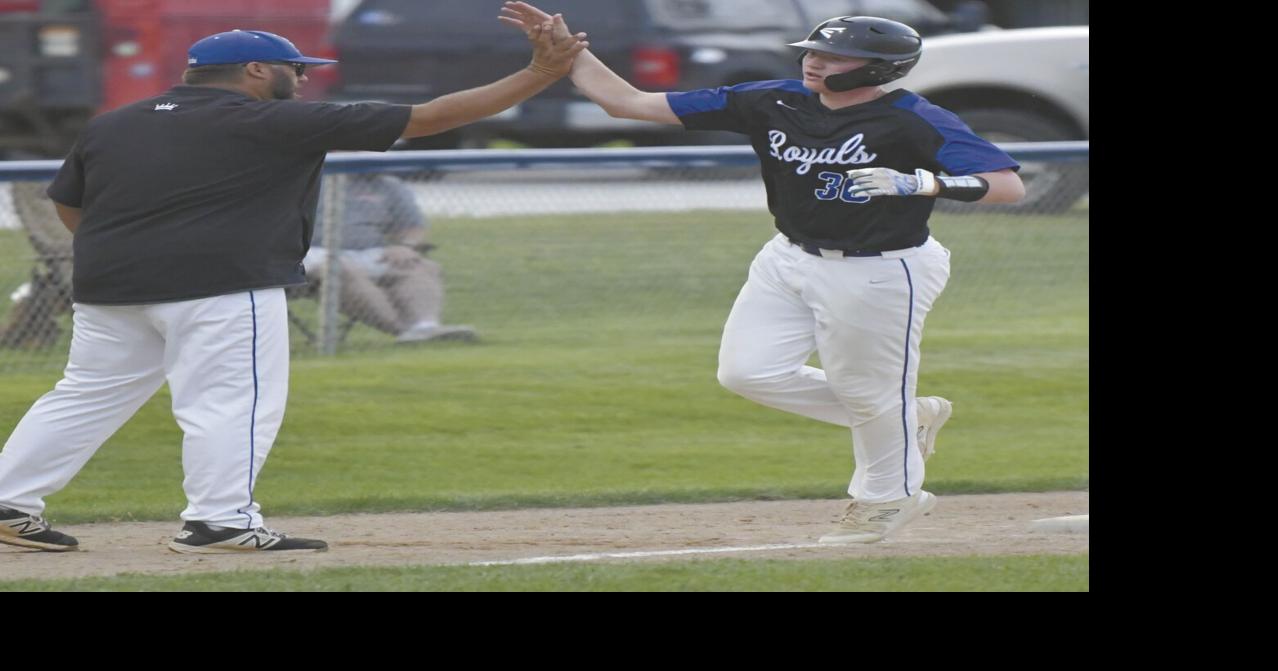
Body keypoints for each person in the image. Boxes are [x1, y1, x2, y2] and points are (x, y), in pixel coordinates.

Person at [0, 18, 587, 553]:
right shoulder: (276, 121)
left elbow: (70, 207)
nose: (303, 79)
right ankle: (221, 521)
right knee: (231, 402)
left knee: (82, 397)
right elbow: (431, 117)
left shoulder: (116, 123)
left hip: (109, 285)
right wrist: (541, 73)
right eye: (295, 68)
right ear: (256, 71)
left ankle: (8, 501)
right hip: (220, 286)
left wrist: (136, 250)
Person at [501, 3, 1024, 543]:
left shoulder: (914, 118)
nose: (815, 63)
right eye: (813, 51)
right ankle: (905, 414)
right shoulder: (772, 99)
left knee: (868, 393)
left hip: (881, 270)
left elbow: (1008, 185)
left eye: (835, 56)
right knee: (747, 372)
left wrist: (924, 184)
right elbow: (626, 102)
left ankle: (887, 499)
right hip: (788, 257)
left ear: (879, 67)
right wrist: (569, 52)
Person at [305, 174, 476, 343]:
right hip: (311, 252)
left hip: (370, 251)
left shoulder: (389, 186)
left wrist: (406, 246)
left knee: (419, 266)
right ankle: (402, 330)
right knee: (338, 268)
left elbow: (412, 228)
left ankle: (425, 327)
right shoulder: (306, 179)